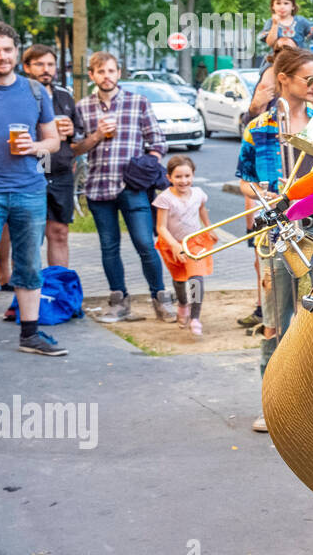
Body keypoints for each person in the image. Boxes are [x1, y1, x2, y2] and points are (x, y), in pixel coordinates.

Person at [236, 45, 313, 433]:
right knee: (275, 323)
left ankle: (311, 401)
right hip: (275, 234)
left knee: (312, 322)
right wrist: (264, 192)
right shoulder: (259, 128)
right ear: (284, 80)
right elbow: (243, 178)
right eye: (308, 79)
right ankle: (272, 403)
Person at [74, 51, 175, 323]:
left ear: (119, 73)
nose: (107, 76)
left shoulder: (137, 102)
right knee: (109, 247)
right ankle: (119, 301)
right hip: (98, 188)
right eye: (101, 72)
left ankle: (160, 298)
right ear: (92, 75)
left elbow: (158, 143)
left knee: (145, 243)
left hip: (132, 188)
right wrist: (96, 135)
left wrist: (146, 168)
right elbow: (75, 148)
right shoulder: (82, 107)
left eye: (111, 71)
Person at [0, 22, 66, 354]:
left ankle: (30, 335)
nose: (1, 56)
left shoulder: (35, 91)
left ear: (15, 52)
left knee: (28, 265)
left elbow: (54, 141)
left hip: (30, 190)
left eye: (7, 49)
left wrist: (34, 146)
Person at [22, 45, 81, 269]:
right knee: (29, 236)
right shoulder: (19, 93)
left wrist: (71, 130)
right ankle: (26, 290)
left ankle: (58, 289)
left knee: (60, 232)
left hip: (60, 173)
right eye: (39, 64)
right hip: (29, 171)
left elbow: (78, 134)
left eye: (50, 65)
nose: (46, 70)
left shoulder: (64, 95)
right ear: (26, 67)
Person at [152, 155, 215, 337]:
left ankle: (195, 317)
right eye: (178, 177)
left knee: (196, 278)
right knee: (180, 280)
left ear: (193, 175)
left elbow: (202, 209)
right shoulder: (165, 199)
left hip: (194, 243)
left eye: (187, 176)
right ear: (169, 177)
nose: (183, 181)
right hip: (172, 244)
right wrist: (174, 245)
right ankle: (182, 304)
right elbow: (161, 227)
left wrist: (209, 227)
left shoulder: (198, 193)